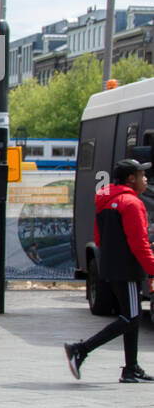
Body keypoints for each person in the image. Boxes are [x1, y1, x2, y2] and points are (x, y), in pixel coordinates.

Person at [65, 159, 154, 383]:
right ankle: (81, 349)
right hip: (128, 270)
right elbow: (140, 243)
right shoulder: (132, 203)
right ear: (130, 179)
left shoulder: (106, 201)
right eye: (142, 175)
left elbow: (98, 239)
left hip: (111, 268)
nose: (146, 179)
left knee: (129, 316)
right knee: (130, 319)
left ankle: (131, 369)